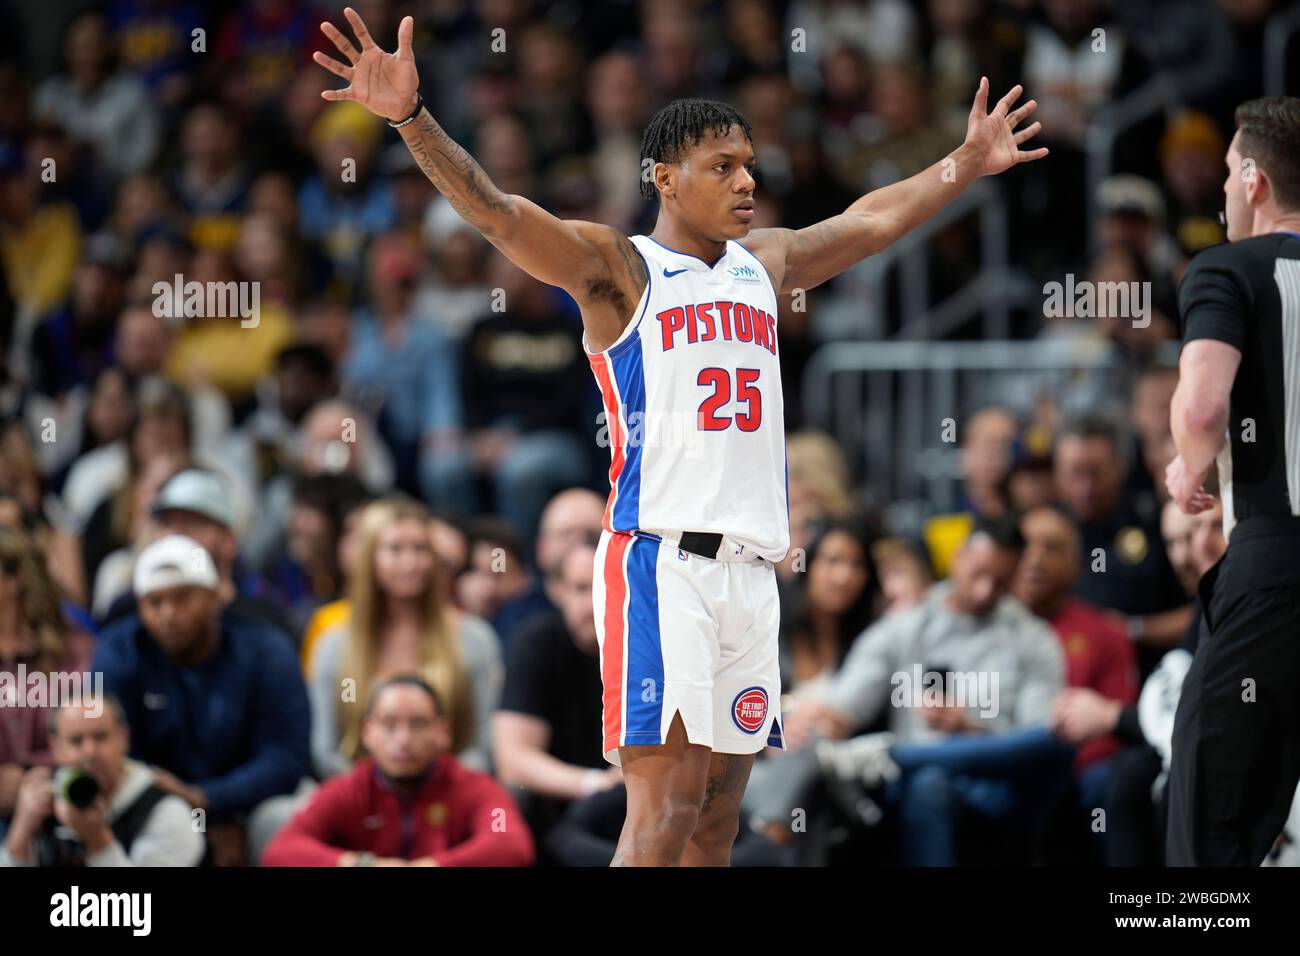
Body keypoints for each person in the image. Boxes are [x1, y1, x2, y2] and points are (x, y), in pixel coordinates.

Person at [314, 6, 1047, 866]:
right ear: (664, 176)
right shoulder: (619, 270)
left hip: (748, 572)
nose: (746, 182)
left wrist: (965, 161)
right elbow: (500, 215)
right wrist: (411, 119)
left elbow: (871, 221)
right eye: (722, 166)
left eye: (750, 165)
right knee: (658, 821)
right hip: (661, 563)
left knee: (713, 823)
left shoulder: (761, 263)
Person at [1164, 96, 1300, 867]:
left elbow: (1205, 403)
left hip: (1276, 567)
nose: (1220, 194)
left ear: (1253, 181)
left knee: (1211, 829)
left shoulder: (1228, 268)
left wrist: (1191, 460)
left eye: (1224, 176)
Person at [93, 534, 311, 865]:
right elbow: (114, 751)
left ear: (213, 597)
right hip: (157, 803)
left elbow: (286, 756)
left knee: (285, 815)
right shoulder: (119, 654)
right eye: (154, 602)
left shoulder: (267, 651)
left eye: (182, 598)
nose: (167, 614)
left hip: (248, 804)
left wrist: (210, 800)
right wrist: (187, 808)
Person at [309, 498, 500, 776]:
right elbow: (326, 750)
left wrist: (436, 791)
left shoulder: (474, 639)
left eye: (420, 549)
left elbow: (482, 745)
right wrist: (377, 791)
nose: (410, 563)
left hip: (450, 797)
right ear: (370, 558)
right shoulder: (334, 646)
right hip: (360, 797)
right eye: (395, 549)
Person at [263, 675, 534, 868]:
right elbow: (283, 849)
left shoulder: (480, 791)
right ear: (368, 733)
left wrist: (432, 866)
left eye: (418, 724)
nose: (403, 739)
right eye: (389, 724)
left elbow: (508, 843)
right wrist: (362, 865)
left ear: (443, 732)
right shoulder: (348, 790)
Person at [493, 540, 614, 848]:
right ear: (557, 592)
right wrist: (597, 784)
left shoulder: (649, 645)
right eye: (581, 588)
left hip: (643, 798)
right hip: (562, 805)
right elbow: (513, 761)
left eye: (606, 586)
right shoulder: (536, 642)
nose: (594, 602)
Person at [1, 697, 204, 867]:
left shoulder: (167, 811)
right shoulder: (41, 803)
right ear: (55, 748)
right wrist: (21, 831)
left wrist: (98, 841)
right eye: (76, 740)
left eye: (100, 737)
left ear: (124, 738)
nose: (90, 751)